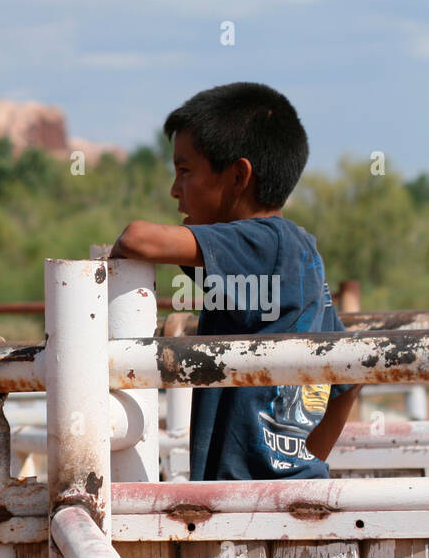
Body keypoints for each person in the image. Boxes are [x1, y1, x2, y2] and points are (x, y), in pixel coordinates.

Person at [108, 82, 359, 480]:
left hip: (243, 505)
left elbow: (137, 238)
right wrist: (304, 468)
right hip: (287, 497)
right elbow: (347, 382)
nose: (175, 190)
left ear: (239, 176)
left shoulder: (259, 243)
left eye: (184, 170)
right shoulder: (298, 250)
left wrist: (104, 269)